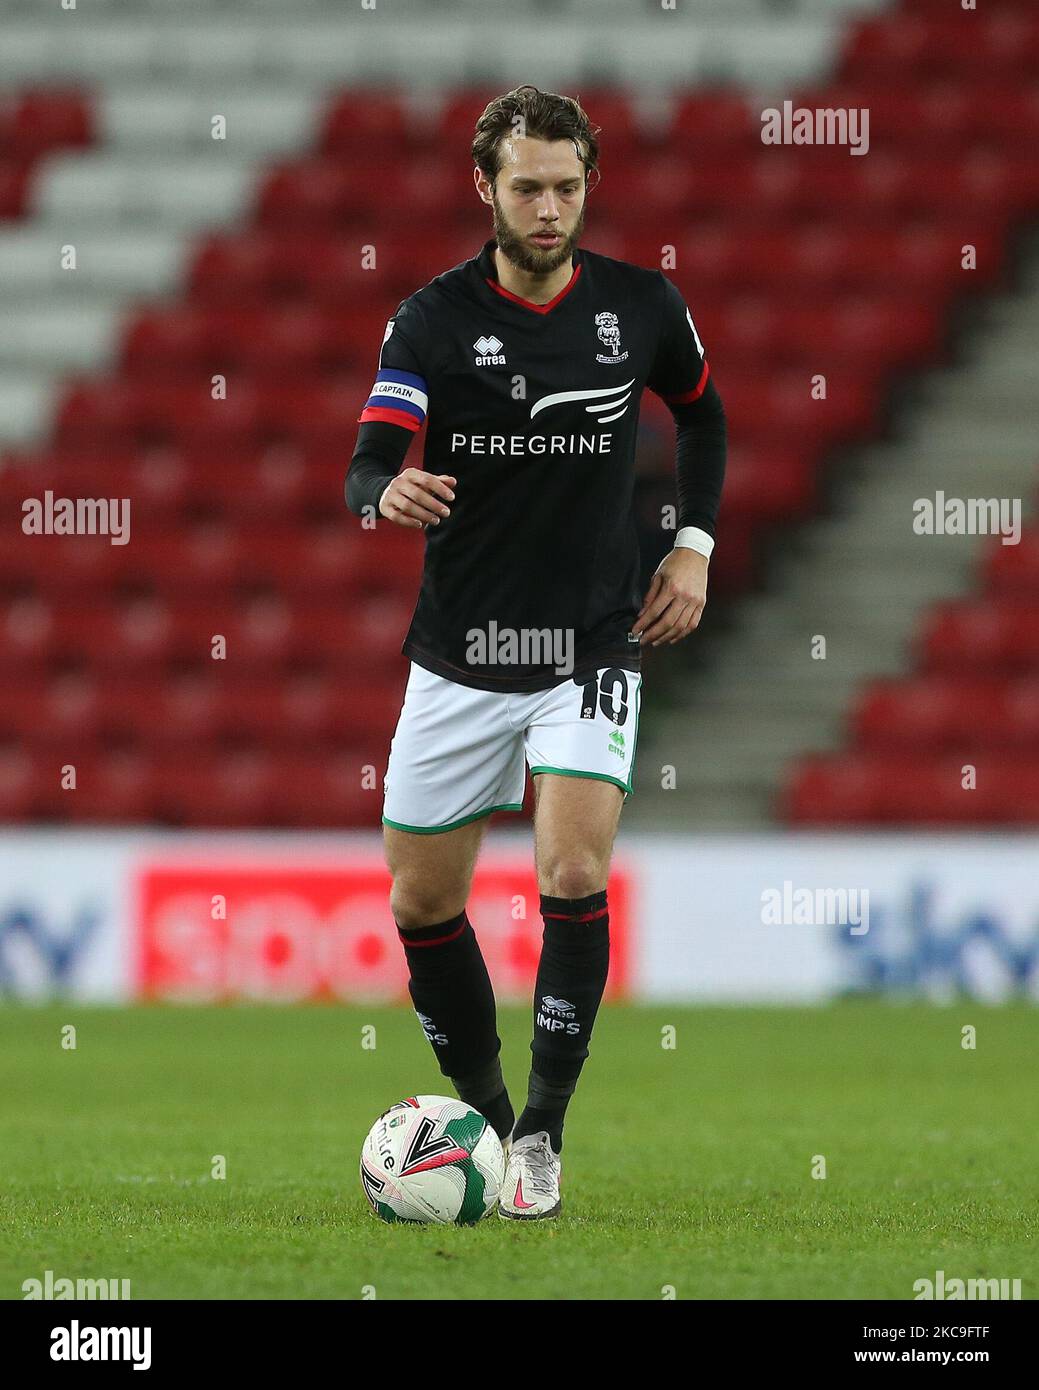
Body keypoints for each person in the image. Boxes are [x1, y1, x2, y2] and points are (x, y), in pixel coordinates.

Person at [346, 84, 726, 1219]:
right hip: (458, 652)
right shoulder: (429, 319)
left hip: (588, 644)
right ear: (485, 188)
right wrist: (385, 491)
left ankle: (544, 1131)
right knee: (421, 903)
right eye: (527, 187)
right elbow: (369, 454)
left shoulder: (641, 305)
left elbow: (701, 413)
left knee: (570, 872)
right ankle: (485, 1111)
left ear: (586, 184)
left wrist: (692, 546)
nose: (549, 207)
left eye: (566, 186)